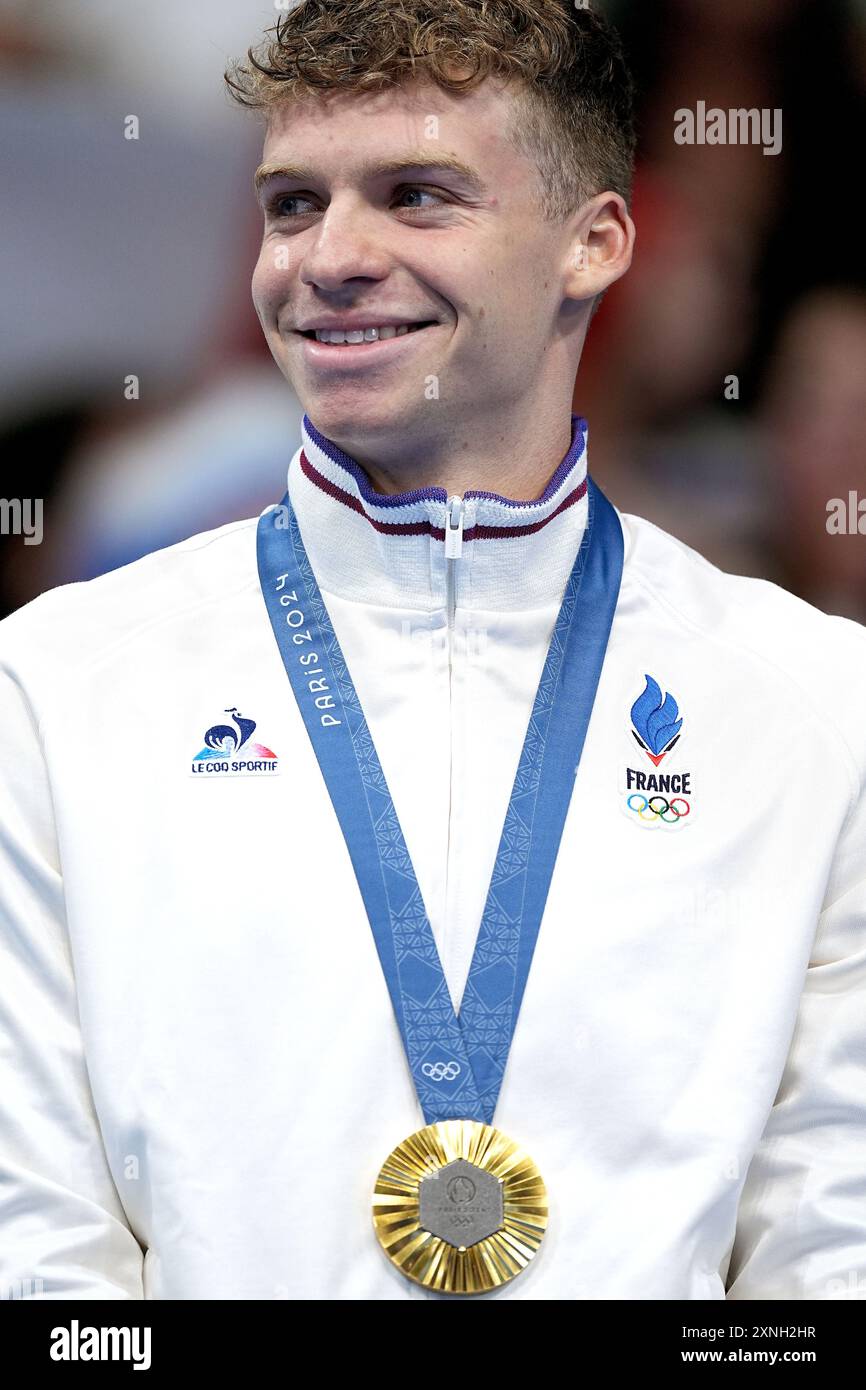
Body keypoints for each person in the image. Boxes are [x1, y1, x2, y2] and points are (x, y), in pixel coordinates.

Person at [1, 0, 864, 1302]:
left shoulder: (809, 704)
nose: (327, 258)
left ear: (594, 242)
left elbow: (827, 1236)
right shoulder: (60, 685)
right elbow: (35, 1230)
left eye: (414, 197)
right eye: (292, 205)